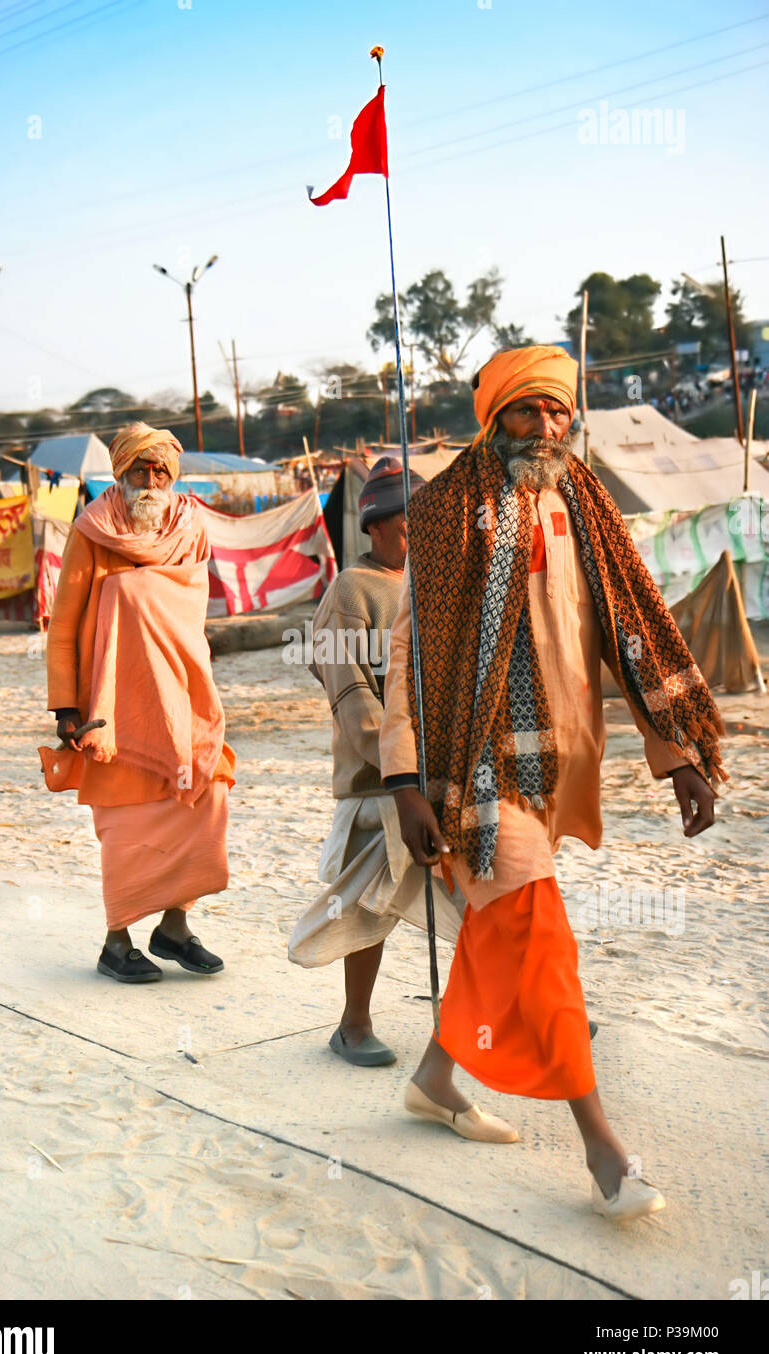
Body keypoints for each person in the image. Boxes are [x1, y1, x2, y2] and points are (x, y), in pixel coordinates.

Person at [379, 346, 727, 1219]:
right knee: (541, 939)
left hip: (561, 765)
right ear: (494, 419)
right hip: (474, 768)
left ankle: (432, 1078)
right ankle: (602, 1149)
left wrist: (678, 752)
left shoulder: (586, 504)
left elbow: (633, 629)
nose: (547, 426)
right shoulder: (446, 511)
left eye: (559, 412)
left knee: (499, 933)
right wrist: (405, 780)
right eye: (529, 411)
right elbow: (410, 657)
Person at [288, 458, 483, 1085]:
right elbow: (354, 697)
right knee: (369, 910)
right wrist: (404, 771)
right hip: (381, 787)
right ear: (374, 525)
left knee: (482, 894)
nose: (415, 532)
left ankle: (525, 1008)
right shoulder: (353, 590)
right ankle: (354, 1025)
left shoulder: (438, 585)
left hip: (443, 780)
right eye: (405, 521)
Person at [39, 422, 235, 983]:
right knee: (126, 826)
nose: (151, 480)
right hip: (115, 707)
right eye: (140, 470)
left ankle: (174, 929)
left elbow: (190, 611)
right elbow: (65, 623)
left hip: (184, 693)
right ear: (120, 472)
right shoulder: (93, 528)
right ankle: (116, 942)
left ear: (172, 476)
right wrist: (66, 710)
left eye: (161, 471)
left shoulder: (191, 526)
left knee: (203, 802)